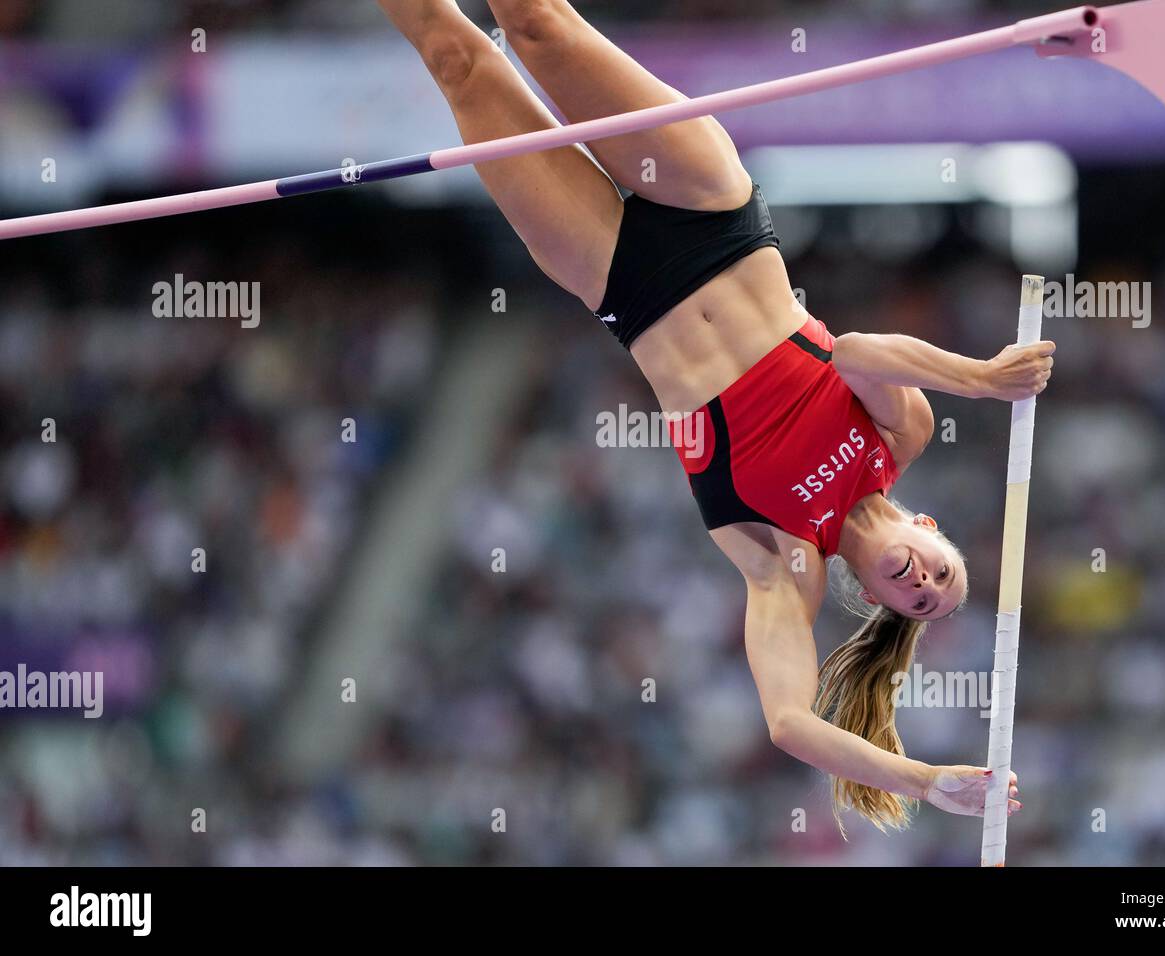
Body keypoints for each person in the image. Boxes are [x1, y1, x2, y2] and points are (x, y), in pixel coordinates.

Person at [377, 0, 1054, 831]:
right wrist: (980, 378)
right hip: (712, 213)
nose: (923, 584)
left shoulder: (784, 565)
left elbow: (790, 723)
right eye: (940, 573)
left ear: (875, 595)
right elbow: (855, 353)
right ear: (930, 526)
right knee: (536, 24)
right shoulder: (899, 438)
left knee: (459, 60)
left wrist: (922, 780)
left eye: (914, 602)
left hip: (621, 283)